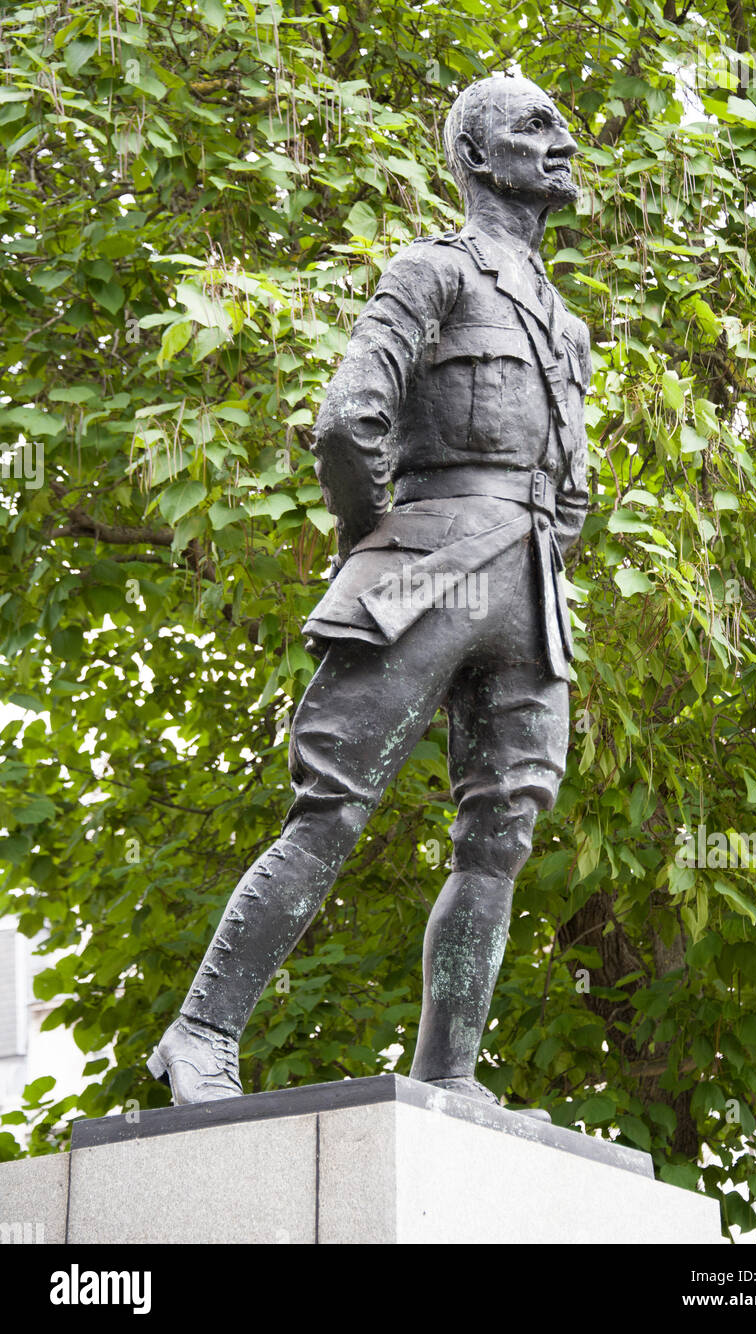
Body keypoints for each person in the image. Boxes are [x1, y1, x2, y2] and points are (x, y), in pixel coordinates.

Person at [148, 74, 591, 1114]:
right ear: (480, 159)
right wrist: (374, 551)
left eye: (561, 124)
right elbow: (351, 420)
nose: (562, 140)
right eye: (535, 126)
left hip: (534, 592)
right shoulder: (431, 271)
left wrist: (549, 560)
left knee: (501, 837)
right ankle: (199, 1033)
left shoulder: (565, 323)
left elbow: (572, 477)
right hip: (425, 561)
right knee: (332, 808)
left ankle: (452, 1078)